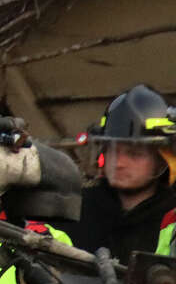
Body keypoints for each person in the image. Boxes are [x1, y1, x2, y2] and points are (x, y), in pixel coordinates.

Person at [70, 85, 176, 263]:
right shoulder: (74, 209)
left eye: (134, 154)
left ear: (163, 159)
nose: (119, 163)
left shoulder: (171, 221)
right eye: (112, 150)